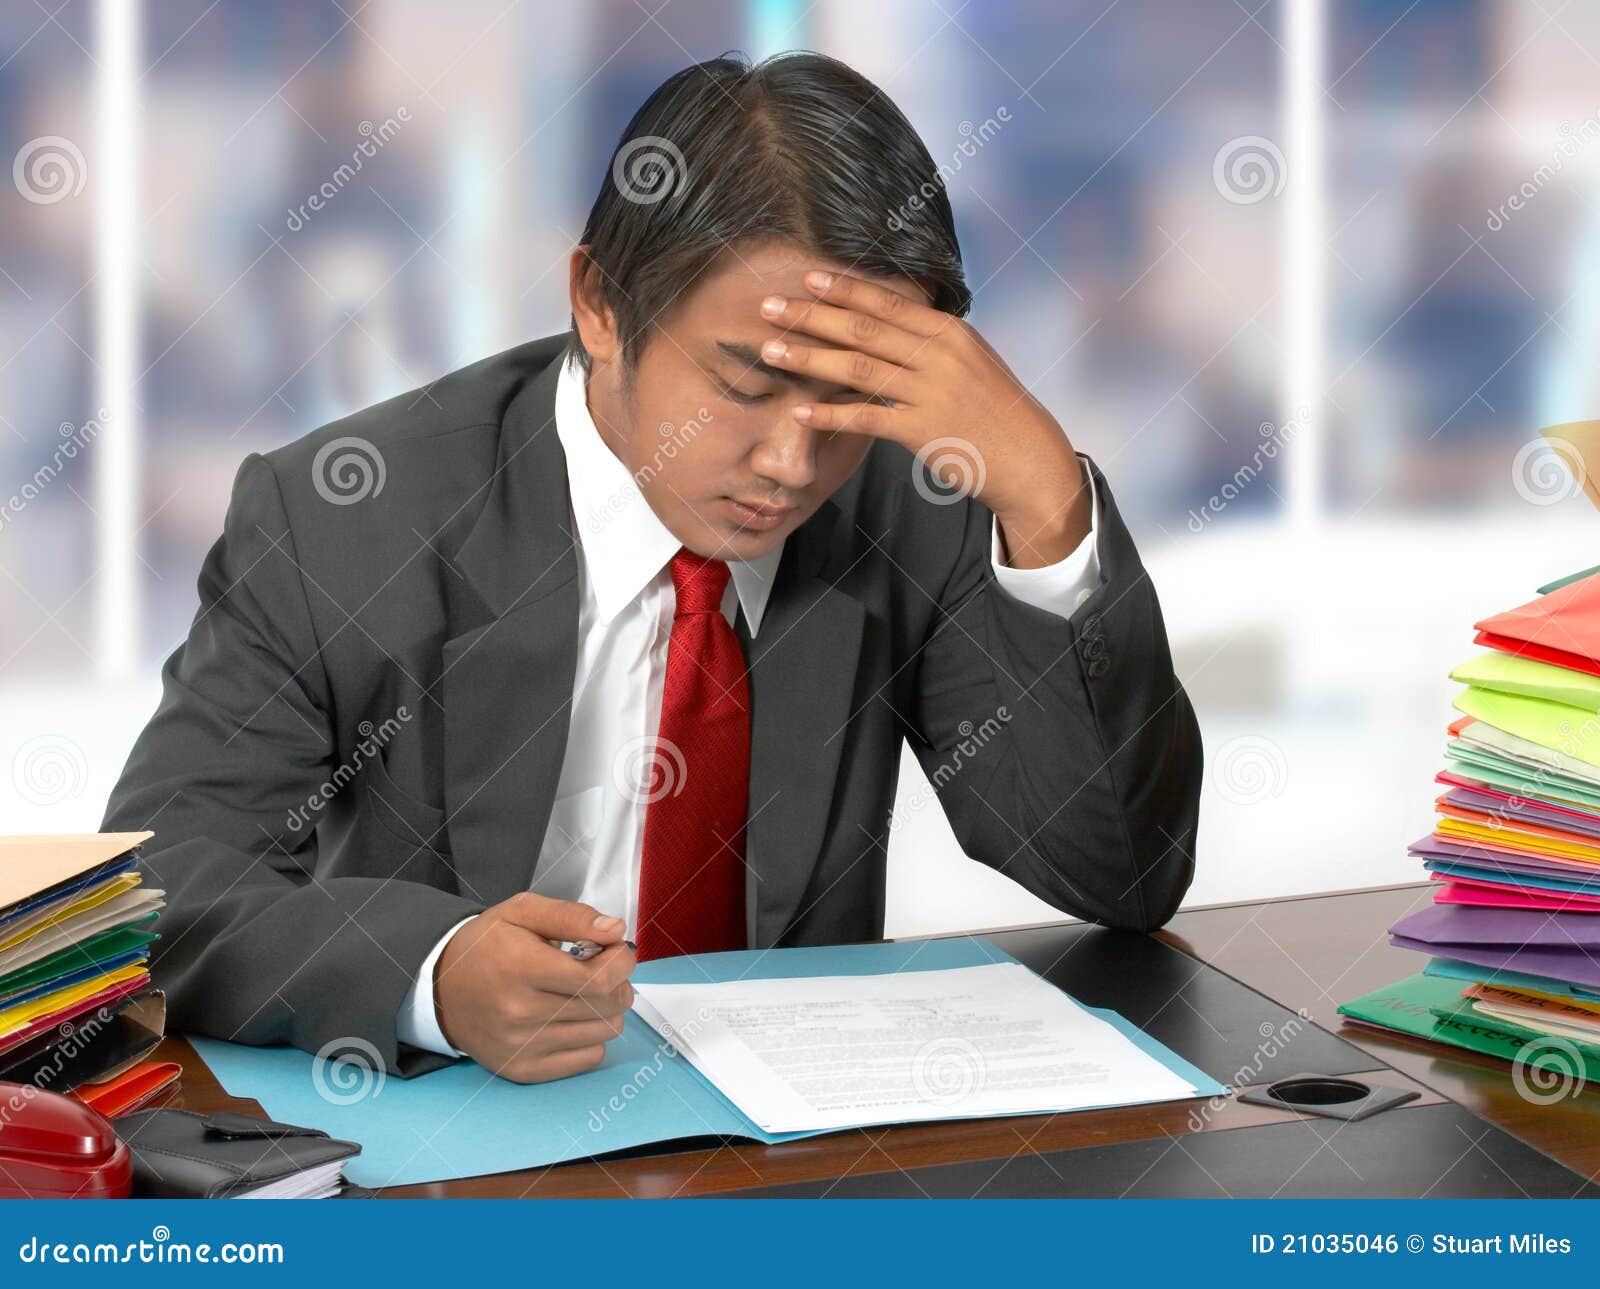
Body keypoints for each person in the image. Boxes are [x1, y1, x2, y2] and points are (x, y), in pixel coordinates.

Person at [103, 51, 1202, 1084]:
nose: (791, 464)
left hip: (793, 1172)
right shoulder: (346, 515)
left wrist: (1049, 503)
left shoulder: (920, 501)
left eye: (848, 404)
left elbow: (1117, 876)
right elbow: (159, 888)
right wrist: (429, 975)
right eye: (745, 382)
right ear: (601, 302)